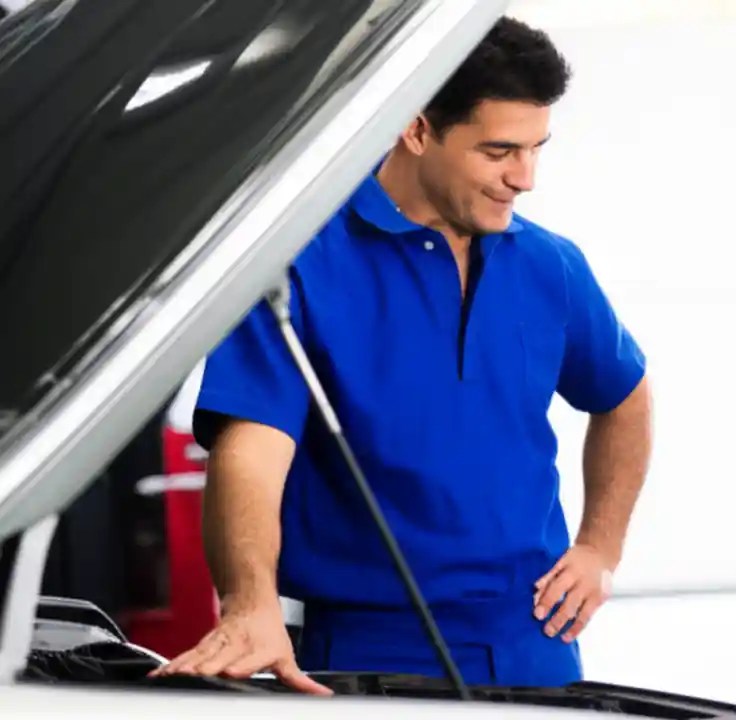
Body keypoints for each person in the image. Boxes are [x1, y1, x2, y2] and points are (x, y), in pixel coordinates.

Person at [150, 17, 652, 694]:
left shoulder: (551, 266)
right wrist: (249, 603)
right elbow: (253, 448)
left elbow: (624, 395)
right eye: (499, 151)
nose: (525, 178)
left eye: (538, 148)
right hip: (366, 650)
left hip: (533, 639)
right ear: (417, 129)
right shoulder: (297, 263)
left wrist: (600, 548)